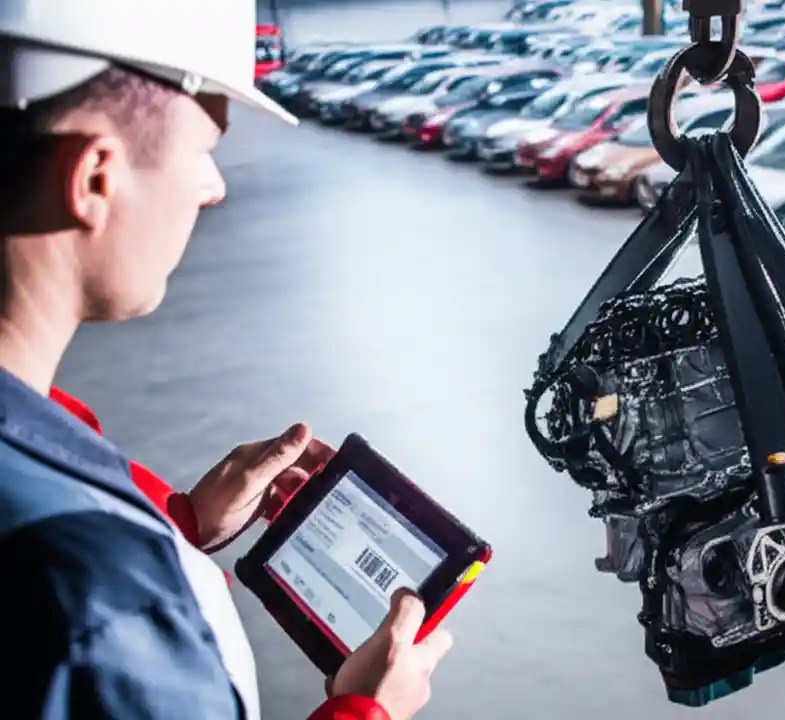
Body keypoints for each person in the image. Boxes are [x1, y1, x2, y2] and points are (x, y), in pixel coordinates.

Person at [0, 2, 452, 718]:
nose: (214, 189)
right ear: (95, 178)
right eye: (202, 150)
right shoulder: (108, 604)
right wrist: (367, 709)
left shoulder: (34, 440)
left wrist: (178, 523)